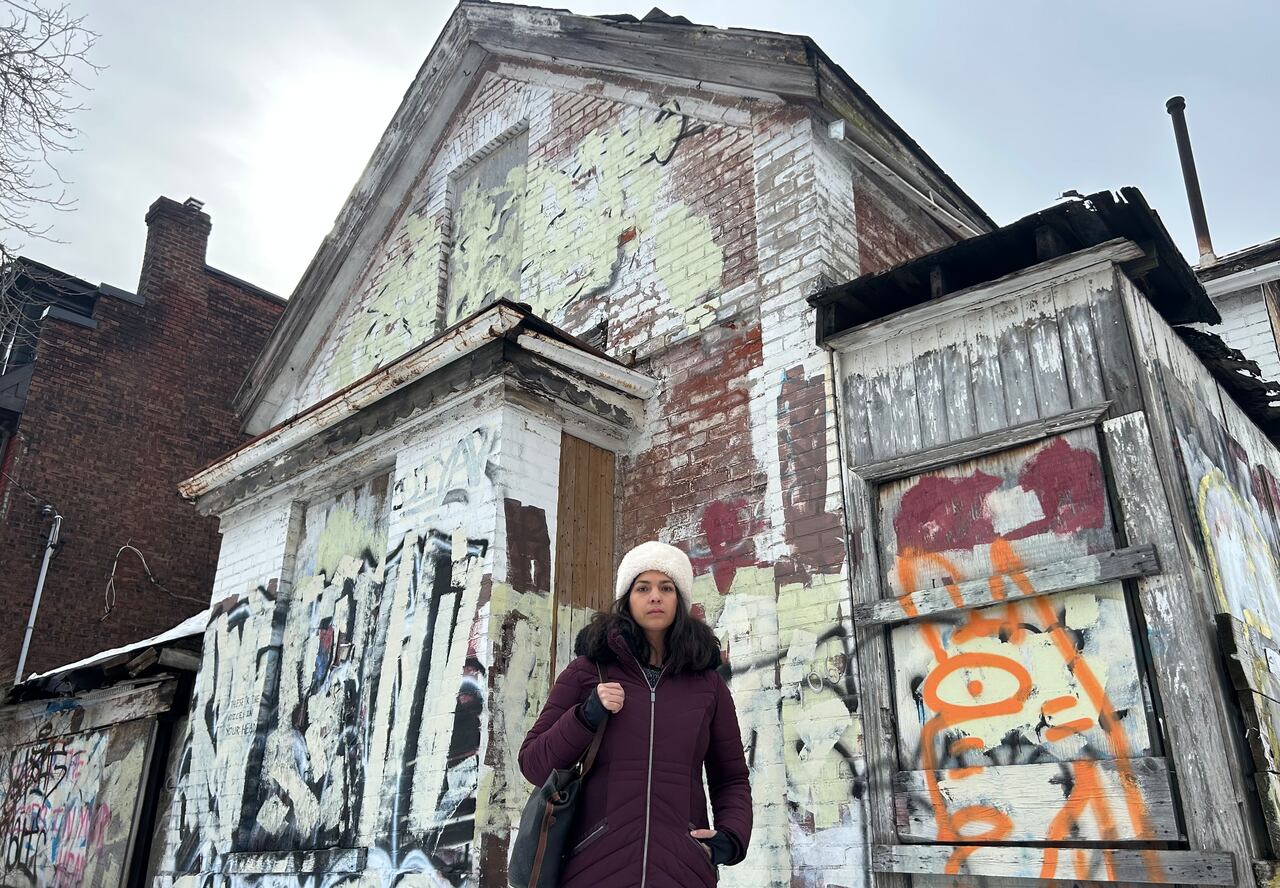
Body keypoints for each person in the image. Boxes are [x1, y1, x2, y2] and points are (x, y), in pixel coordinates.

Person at [518, 541, 752, 887]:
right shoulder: (587, 672)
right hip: (594, 869)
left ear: (680, 600)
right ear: (627, 598)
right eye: (643, 587)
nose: (655, 596)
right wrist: (586, 715)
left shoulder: (707, 685)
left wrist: (731, 838)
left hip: (682, 872)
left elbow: (730, 778)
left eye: (666, 587)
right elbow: (533, 763)